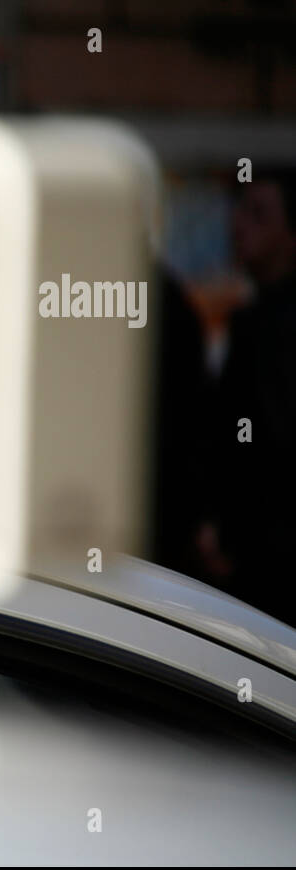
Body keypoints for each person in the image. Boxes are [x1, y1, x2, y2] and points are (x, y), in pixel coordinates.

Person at [205, 173, 296, 623]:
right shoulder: (255, 318)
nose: (239, 225)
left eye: (259, 214)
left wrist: (227, 528)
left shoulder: (266, 328)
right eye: (241, 210)